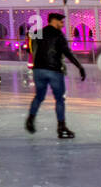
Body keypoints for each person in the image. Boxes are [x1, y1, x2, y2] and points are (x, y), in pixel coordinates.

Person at [25, 11, 86, 139]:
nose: (62, 24)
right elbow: (67, 52)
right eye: (61, 22)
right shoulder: (58, 35)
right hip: (54, 70)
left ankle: (30, 119)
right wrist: (79, 66)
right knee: (59, 99)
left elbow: (30, 49)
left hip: (38, 70)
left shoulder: (38, 33)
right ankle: (61, 127)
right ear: (53, 21)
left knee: (39, 96)